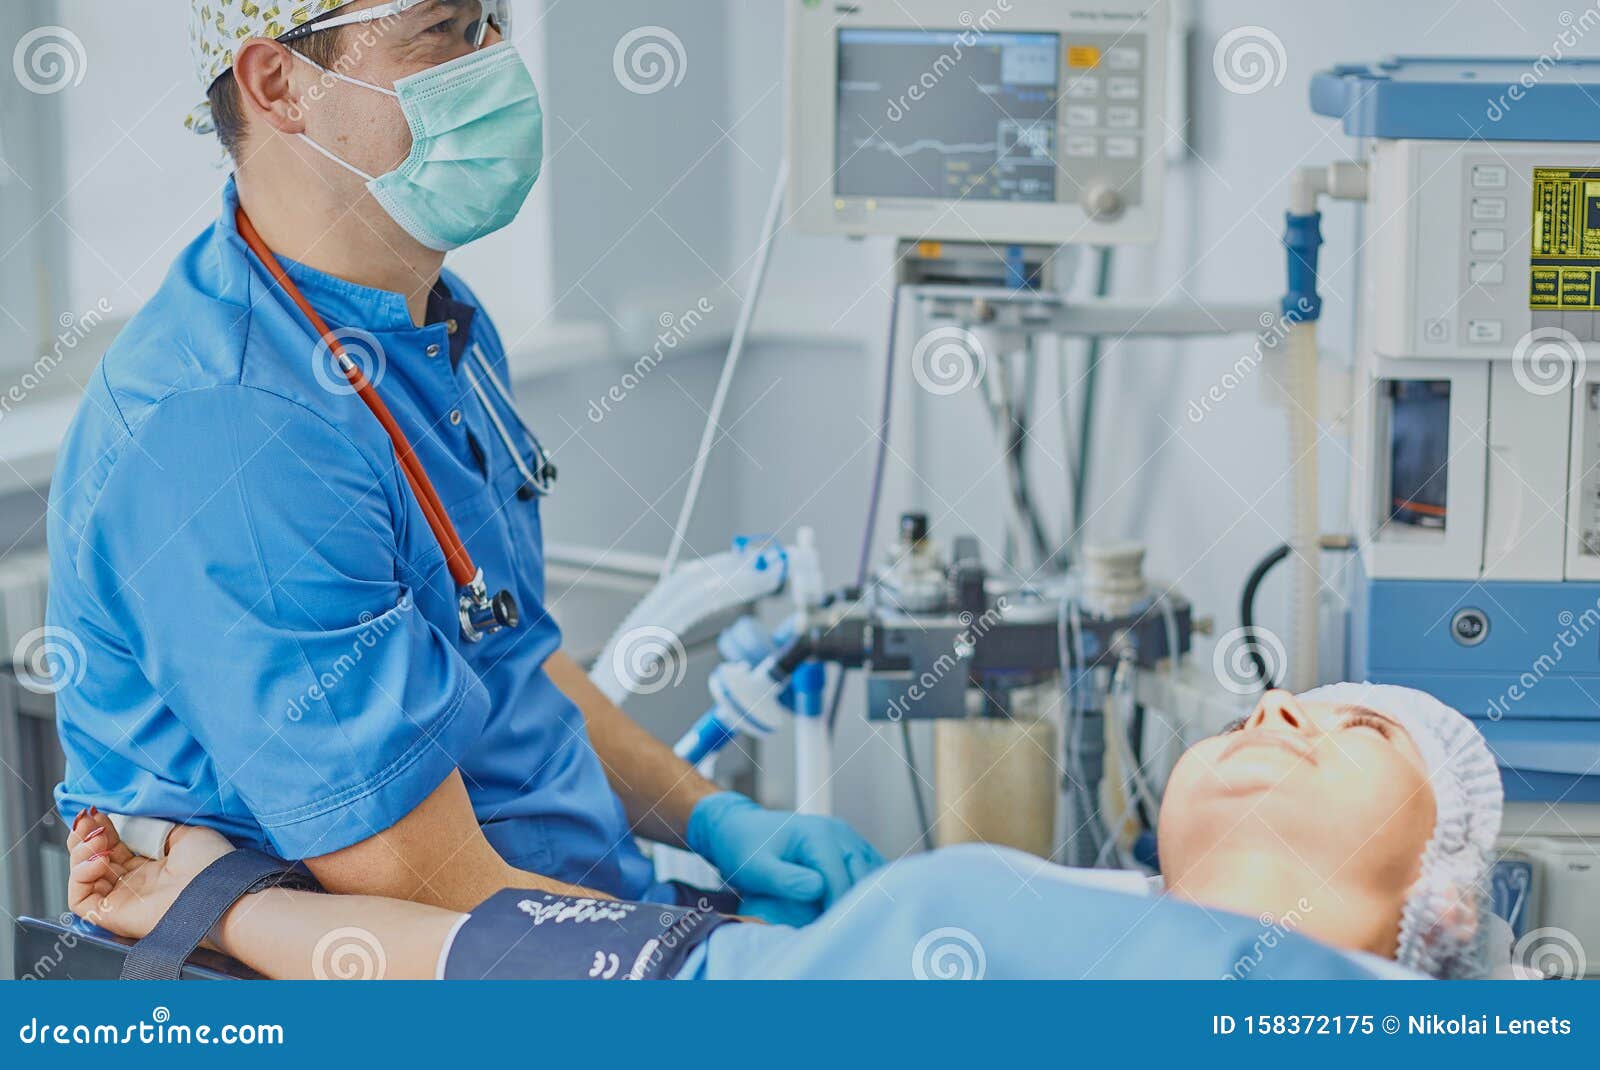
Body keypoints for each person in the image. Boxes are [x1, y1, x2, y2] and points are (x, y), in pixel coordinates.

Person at [47, 0, 880, 926]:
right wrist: (709, 954)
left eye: (494, 22)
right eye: (444, 28)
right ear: (279, 85)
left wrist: (712, 818)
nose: (494, 62)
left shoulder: (429, 321)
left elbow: (508, 656)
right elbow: (420, 888)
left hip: (573, 912)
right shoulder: (232, 431)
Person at [65, 685, 1509, 980]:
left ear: (1442, 898)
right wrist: (217, 903)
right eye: (1259, 704)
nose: (1279, 705)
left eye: (1364, 727)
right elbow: (523, 965)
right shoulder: (971, 917)